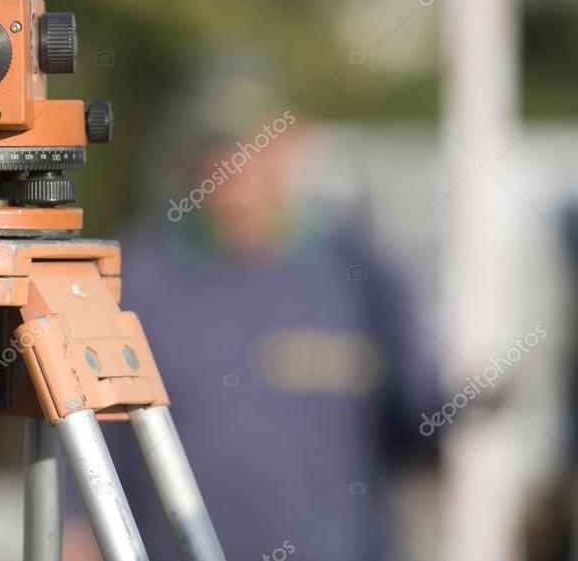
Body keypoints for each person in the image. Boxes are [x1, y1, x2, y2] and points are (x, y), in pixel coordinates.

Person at [65, 54, 441, 560]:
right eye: (213, 144)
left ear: (297, 141)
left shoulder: (364, 277)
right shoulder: (127, 281)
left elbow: (423, 444)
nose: (233, 163)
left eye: (252, 142)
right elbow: (83, 483)